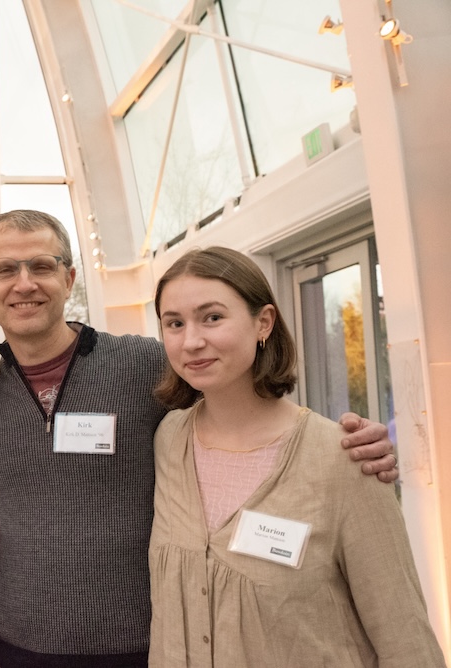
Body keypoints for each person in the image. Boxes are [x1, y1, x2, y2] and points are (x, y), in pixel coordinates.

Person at [0, 210, 398, 667]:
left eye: (42, 266)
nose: (24, 282)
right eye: (5, 269)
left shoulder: (140, 365)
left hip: (140, 644)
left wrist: (342, 441)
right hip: (14, 646)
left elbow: (237, 401)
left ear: (69, 278)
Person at [148, 246, 443, 667]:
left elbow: (403, 634)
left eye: (212, 317)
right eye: (174, 323)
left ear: (263, 322)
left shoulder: (342, 457)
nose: (192, 341)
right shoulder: (168, 439)